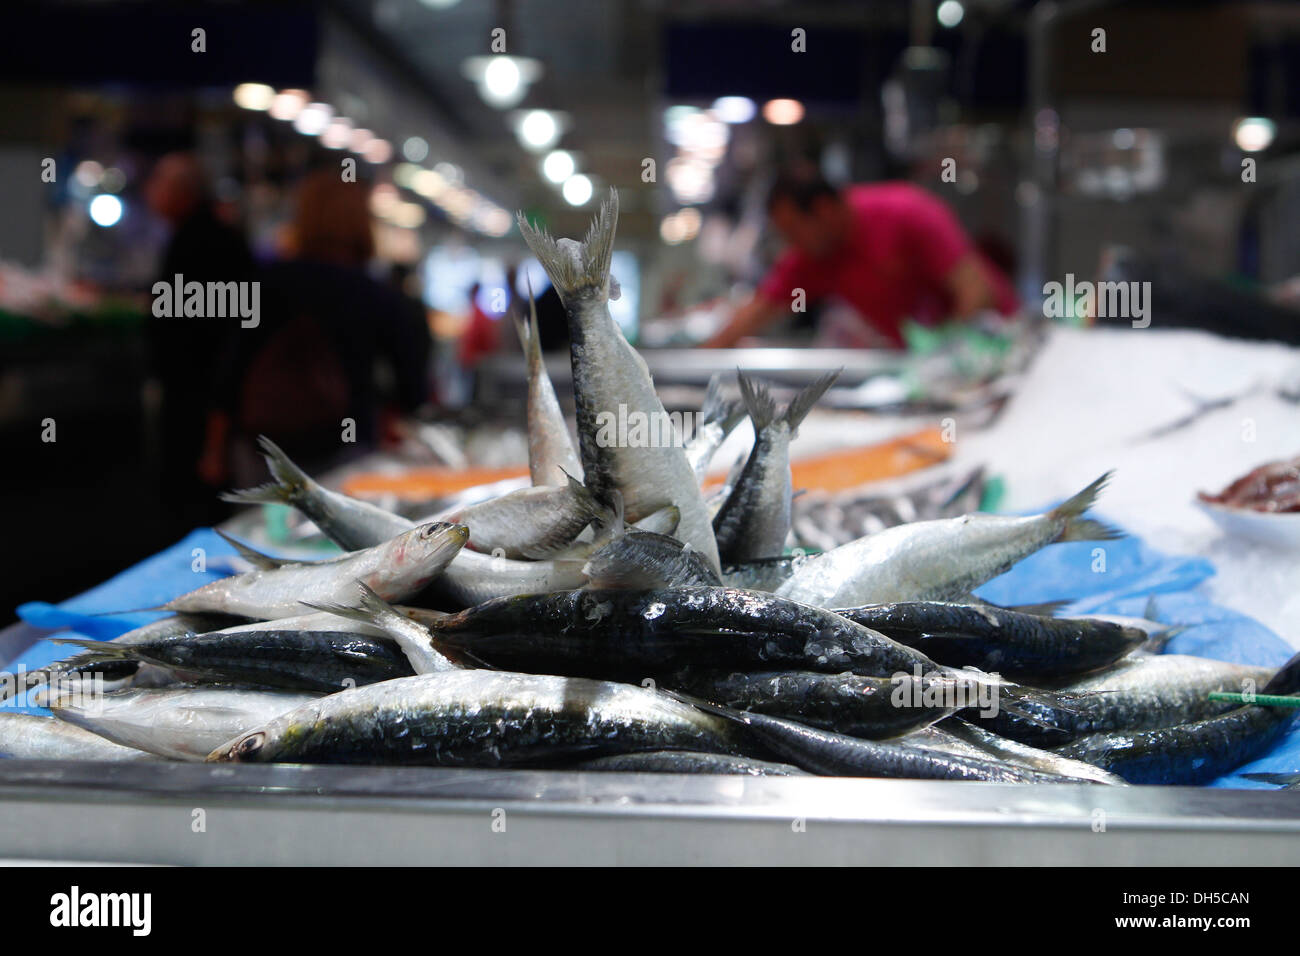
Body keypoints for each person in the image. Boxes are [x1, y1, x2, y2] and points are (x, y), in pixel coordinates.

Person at [198, 169, 431, 487]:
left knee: (259, 533)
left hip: (265, 446)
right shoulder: (376, 294)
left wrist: (214, 450)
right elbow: (411, 386)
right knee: (344, 536)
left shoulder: (267, 282)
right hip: (348, 445)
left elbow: (229, 373)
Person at [704, 170, 1019, 348]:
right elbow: (759, 310)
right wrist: (706, 352)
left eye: (794, 231)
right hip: (931, 368)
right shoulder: (812, 257)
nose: (791, 245)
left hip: (1000, 348)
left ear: (825, 210)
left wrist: (944, 357)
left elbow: (978, 292)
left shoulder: (907, 212)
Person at [143, 152, 255, 532]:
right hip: (215, 402)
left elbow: (211, 335)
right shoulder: (222, 237)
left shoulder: (194, 243)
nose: (150, 192)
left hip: (198, 401)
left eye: (159, 183)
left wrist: (214, 436)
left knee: (193, 504)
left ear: (182, 192)